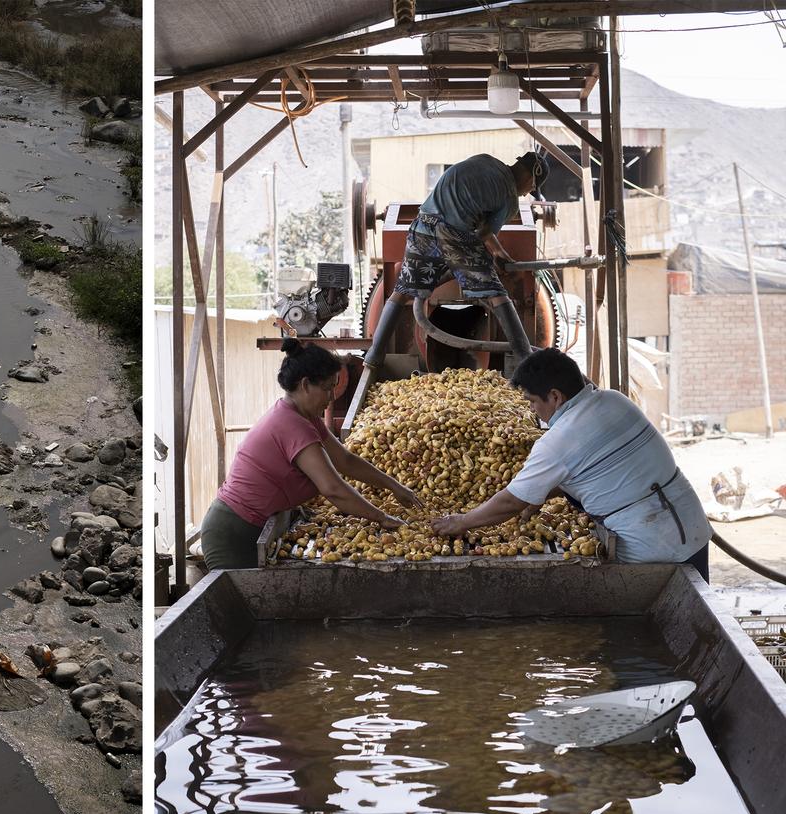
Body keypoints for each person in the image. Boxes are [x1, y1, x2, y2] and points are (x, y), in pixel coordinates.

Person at [433, 347, 711, 576]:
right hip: (691, 525)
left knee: (637, 626)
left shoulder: (557, 441)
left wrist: (463, 521)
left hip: (651, 547)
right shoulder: (615, 400)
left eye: (532, 402)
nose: (532, 410)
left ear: (555, 396)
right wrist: (539, 492)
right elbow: (602, 469)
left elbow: (510, 503)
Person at [202, 339, 425, 569]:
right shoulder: (291, 425)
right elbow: (332, 489)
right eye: (328, 388)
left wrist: (396, 487)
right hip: (234, 532)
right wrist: (381, 517)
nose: (331, 398)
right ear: (306, 384)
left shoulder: (305, 417)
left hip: (256, 526)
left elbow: (345, 461)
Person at [363, 151, 549, 378]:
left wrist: (498, 249)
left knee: (401, 291)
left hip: (423, 225)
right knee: (495, 293)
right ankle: (525, 359)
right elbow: (484, 232)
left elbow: (470, 212)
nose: (526, 193)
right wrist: (477, 261)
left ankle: (373, 356)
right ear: (531, 179)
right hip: (454, 234)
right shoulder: (509, 197)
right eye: (530, 191)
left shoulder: (485, 159)